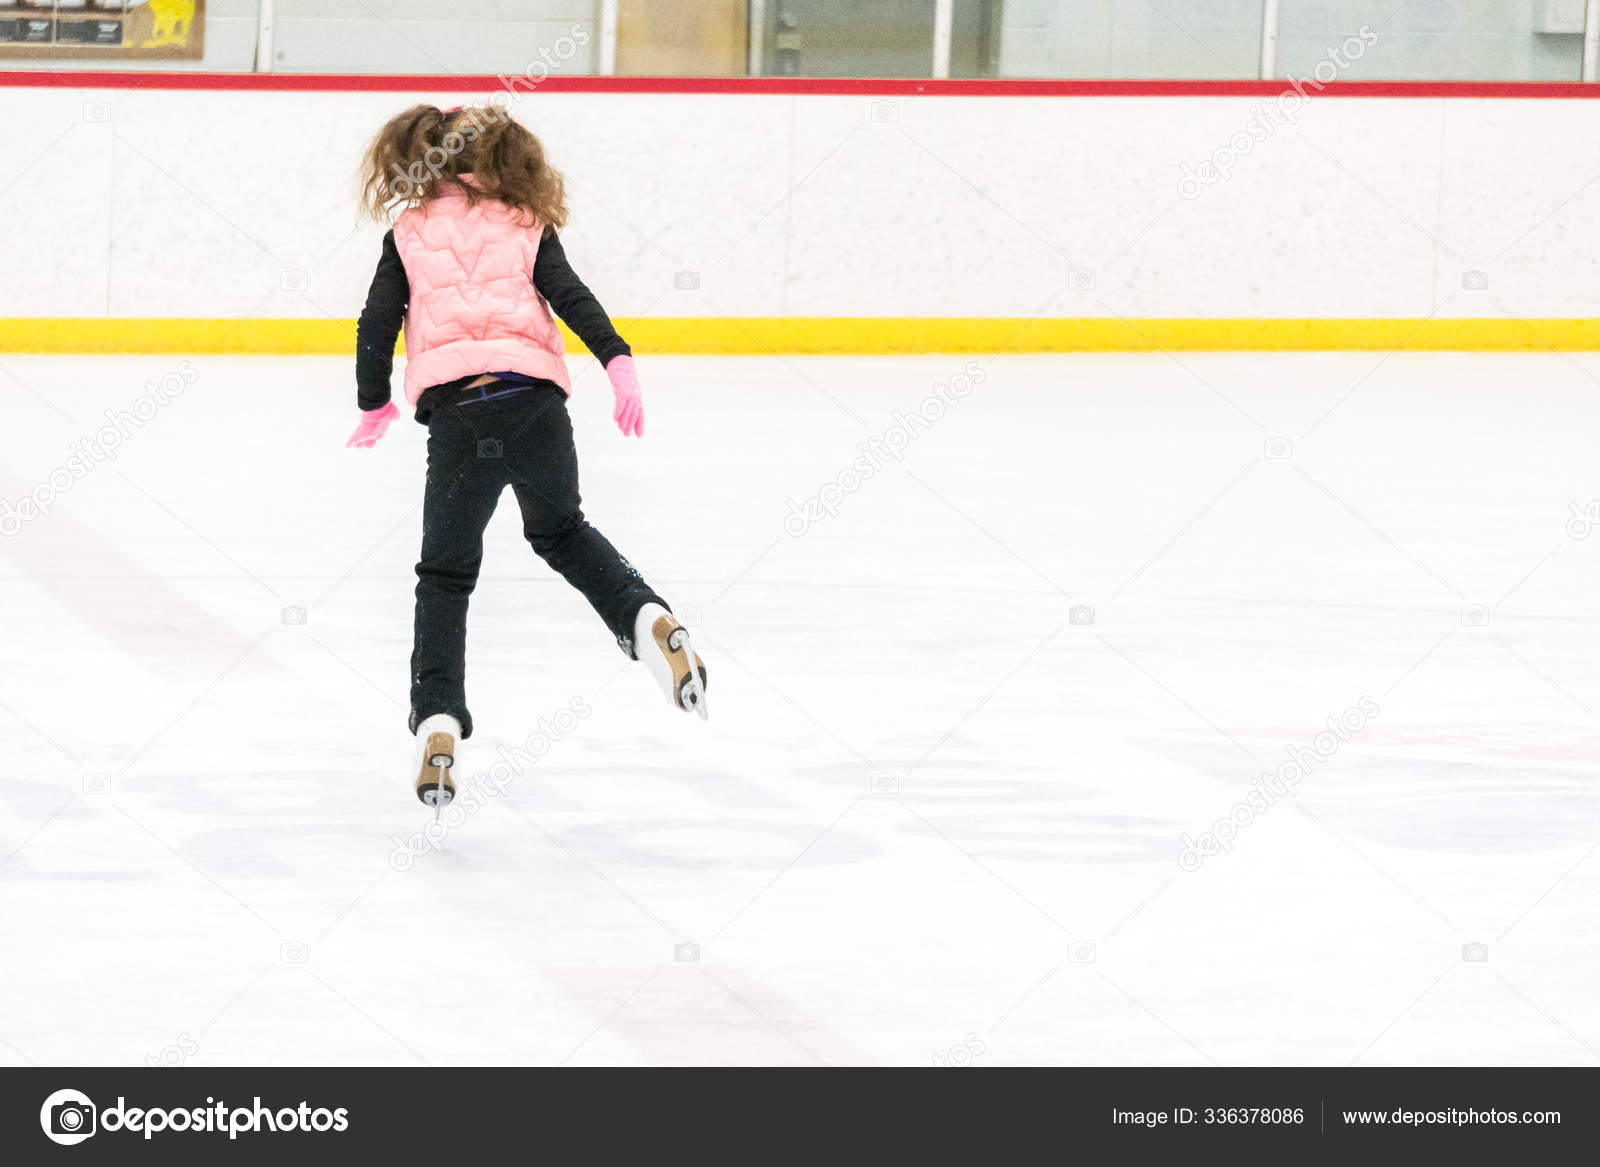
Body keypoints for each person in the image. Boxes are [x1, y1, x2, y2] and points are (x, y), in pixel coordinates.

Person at [345, 104, 706, 809]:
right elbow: (570, 296)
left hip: (460, 414)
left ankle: (439, 722)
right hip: (535, 405)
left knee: (445, 574)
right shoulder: (525, 221)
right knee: (563, 533)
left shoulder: (409, 231)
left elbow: (376, 321)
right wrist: (617, 361)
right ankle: (650, 619)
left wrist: (372, 401)